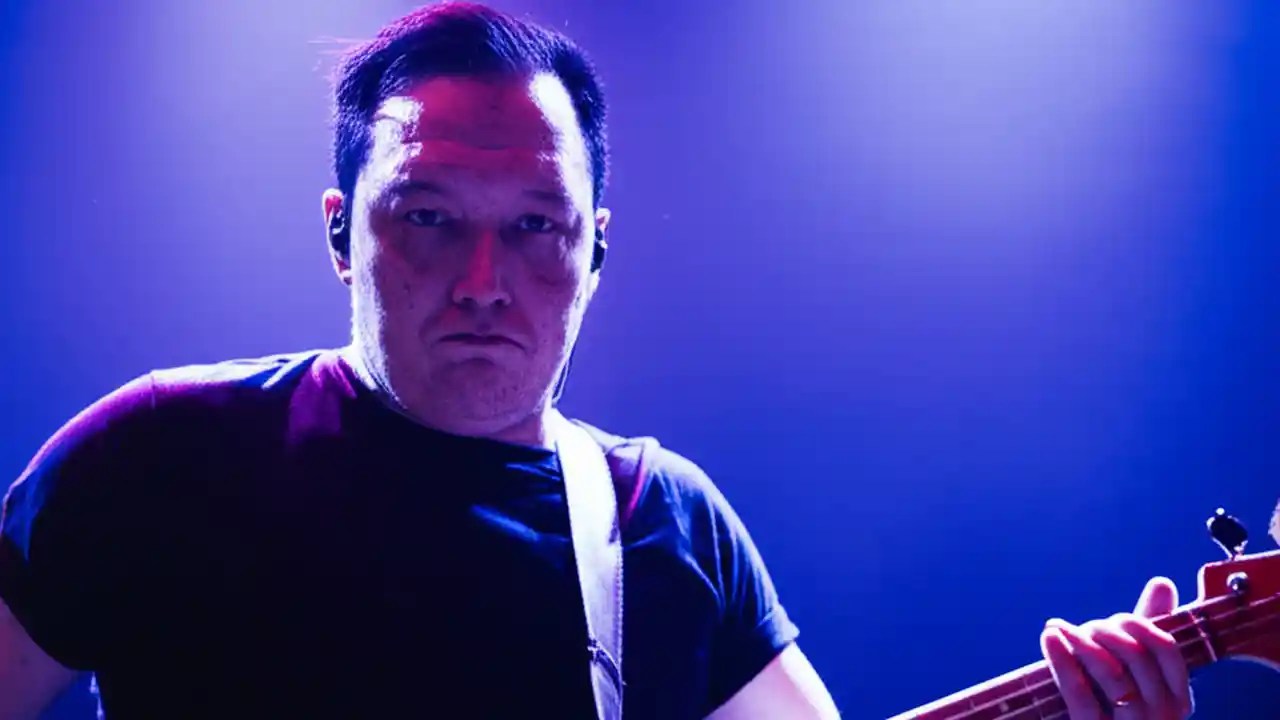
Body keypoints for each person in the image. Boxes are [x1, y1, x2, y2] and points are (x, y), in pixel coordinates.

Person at [0, 3, 1194, 719]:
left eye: (535, 226)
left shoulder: (656, 522)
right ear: (335, 231)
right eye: (425, 217)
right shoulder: (158, 453)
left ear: (596, 248)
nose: (482, 279)